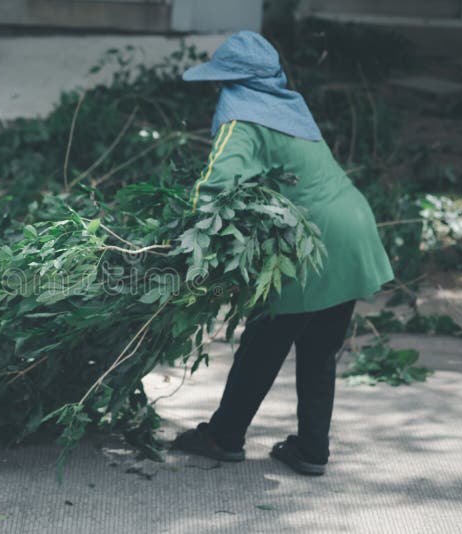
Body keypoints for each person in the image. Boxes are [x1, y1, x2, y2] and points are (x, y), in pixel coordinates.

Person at [170, 31, 394, 476]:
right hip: (351, 228)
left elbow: (216, 186)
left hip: (305, 239)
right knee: (318, 349)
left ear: (231, 80)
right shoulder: (292, 108)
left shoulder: (241, 117)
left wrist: (185, 240)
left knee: (262, 342)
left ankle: (224, 435)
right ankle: (311, 449)